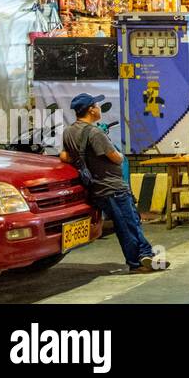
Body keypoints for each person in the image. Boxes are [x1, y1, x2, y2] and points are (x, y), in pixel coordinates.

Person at [59, 93, 161, 273]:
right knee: (128, 225)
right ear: (91, 109)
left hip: (95, 187)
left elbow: (64, 155)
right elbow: (116, 158)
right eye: (97, 105)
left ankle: (145, 255)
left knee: (130, 222)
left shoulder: (68, 131)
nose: (99, 108)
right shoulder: (95, 132)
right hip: (112, 187)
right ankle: (139, 261)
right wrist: (118, 153)